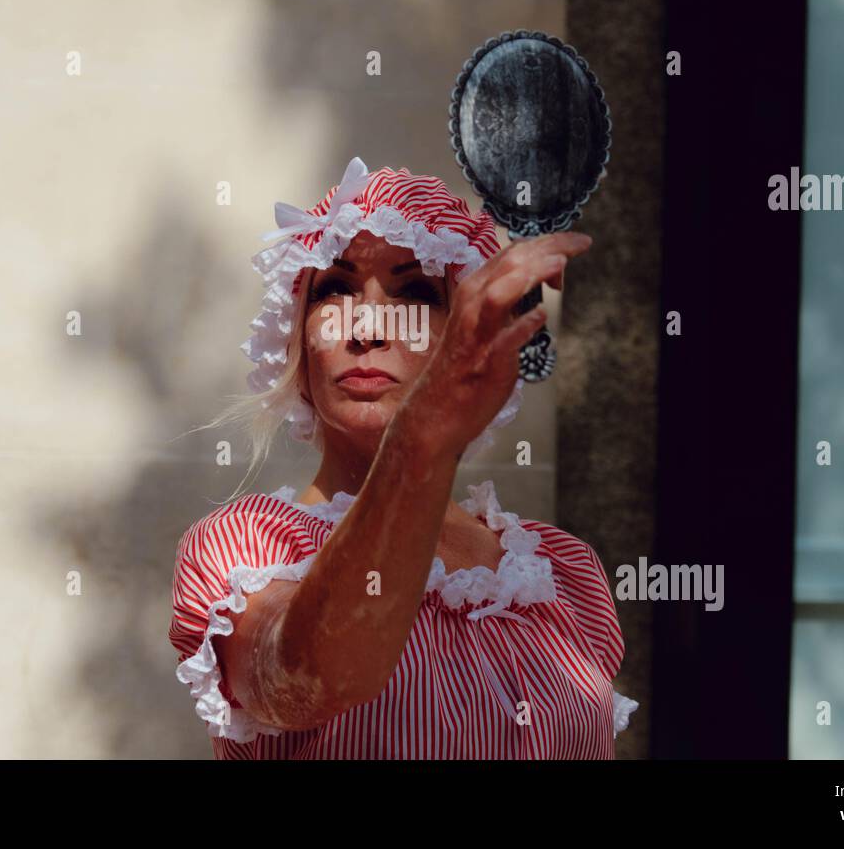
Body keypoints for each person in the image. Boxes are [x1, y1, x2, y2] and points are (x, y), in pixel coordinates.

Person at [168, 156, 637, 758]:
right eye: (334, 290)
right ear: (296, 347)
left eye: (416, 292)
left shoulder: (565, 572)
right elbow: (301, 678)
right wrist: (419, 442)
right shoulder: (244, 547)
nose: (366, 327)